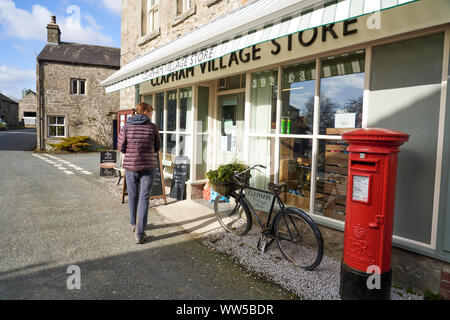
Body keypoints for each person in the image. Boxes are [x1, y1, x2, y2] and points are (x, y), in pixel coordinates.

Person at [118, 102, 161, 244]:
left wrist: (131, 153)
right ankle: (140, 233)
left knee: (132, 195)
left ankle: (133, 223)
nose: (152, 114)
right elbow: (157, 147)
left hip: (131, 167)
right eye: (151, 112)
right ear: (147, 112)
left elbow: (121, 146)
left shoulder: (127, 126)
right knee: (144, 198)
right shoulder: (152, 127)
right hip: (148, 167)